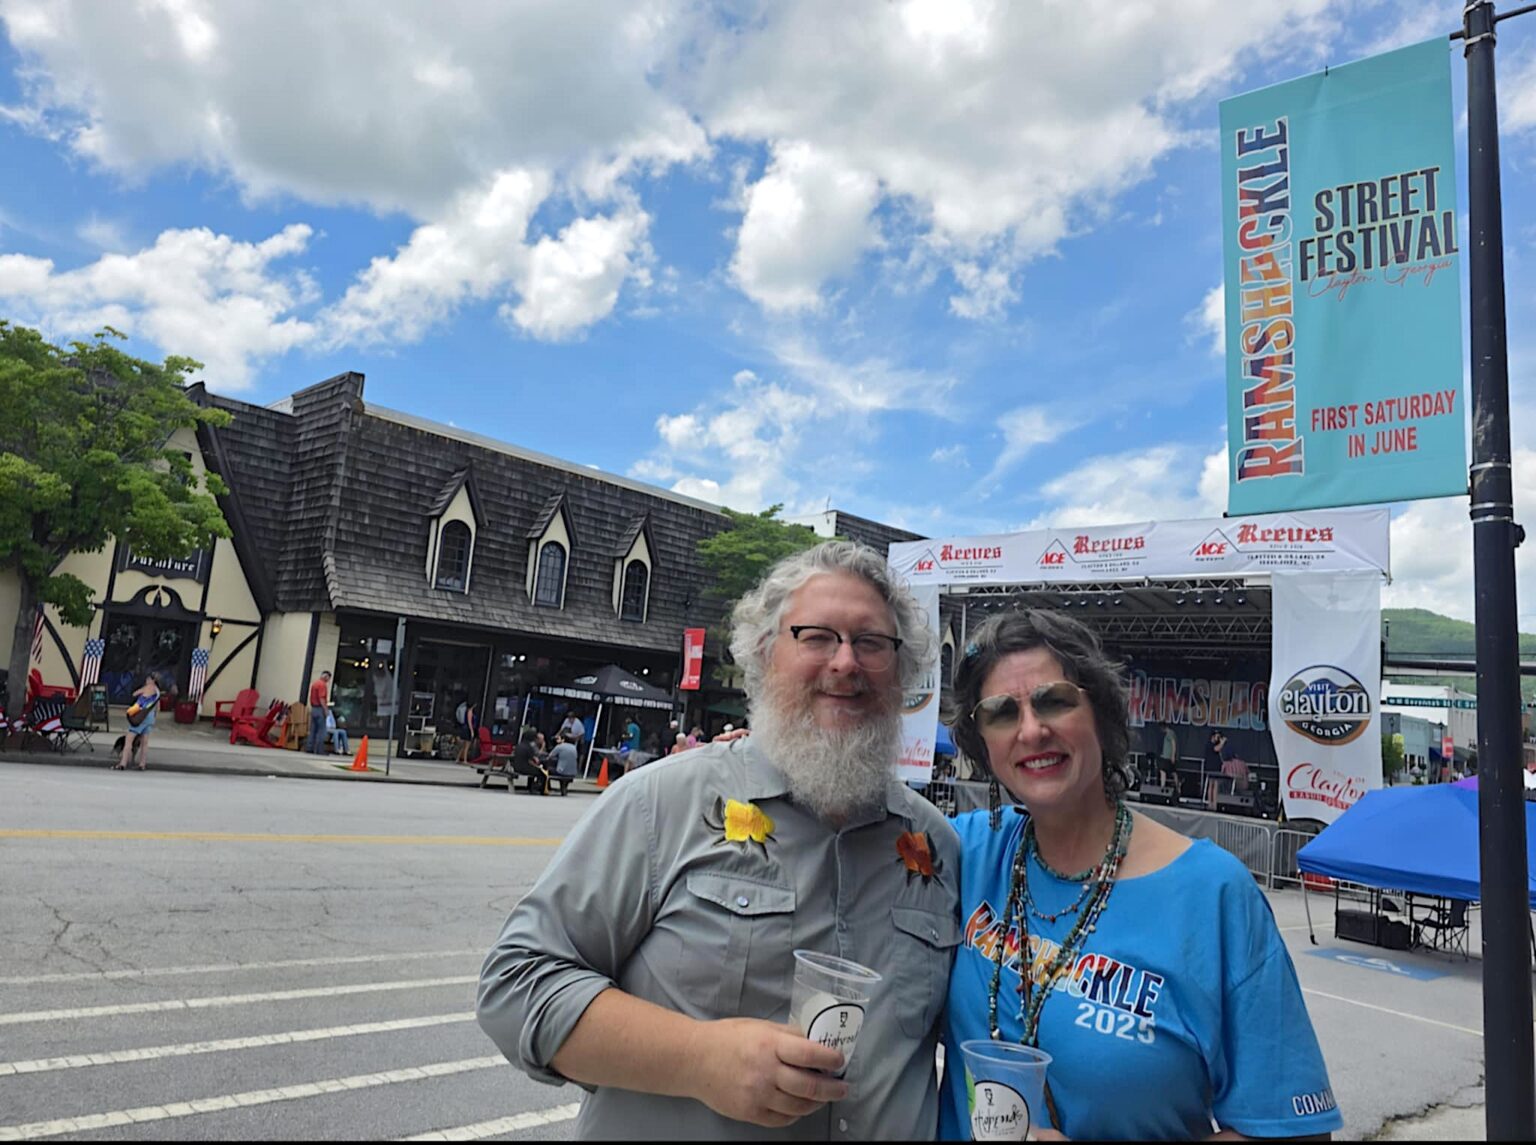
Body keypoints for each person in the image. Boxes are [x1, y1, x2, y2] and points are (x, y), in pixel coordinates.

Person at [478, 541, 960, 1139]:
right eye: (816, 637)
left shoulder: (937, 847)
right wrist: (699, 1059)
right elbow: (517, 984)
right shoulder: (659, 803)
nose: (845, 663)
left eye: (871, 643)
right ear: (765, 655)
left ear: (902, 671)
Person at [937, 610, 1341, 1140]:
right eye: (1001, 712)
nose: (1032, 730)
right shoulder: (967, 851)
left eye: (1054, 700)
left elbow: (1297, 1133)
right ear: (981, 742)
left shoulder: (1213, 895)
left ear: (1100, 714)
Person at [113, 672, 161, 771]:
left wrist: (143, 689)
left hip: (140, 718)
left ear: (152, 680)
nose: (146, 680)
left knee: (129, 740)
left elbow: (134, 694)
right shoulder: (157, 692)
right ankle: (142, 764)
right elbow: (158, 708)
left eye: (148, 679)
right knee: (145, 743)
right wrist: (154, 719)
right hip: (150, 718)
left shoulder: (147, 688)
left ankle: (123, 763)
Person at [511, 726, 551, 795]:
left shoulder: (519, 745)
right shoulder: (529, 747)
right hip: (525, 768)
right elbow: (534, 759)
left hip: (516, 767)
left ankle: (530, 787)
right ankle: (541, 789)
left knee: (535, 769)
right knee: (542, 773)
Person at [304, 670, 331, 754]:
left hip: (314, 708)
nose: (328, 680)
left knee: (313, 730)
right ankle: (319, 750)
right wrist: (326, 710)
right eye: (328, 678)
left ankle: (309, 747)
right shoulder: (322, 685)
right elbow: (322, 698)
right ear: (326, 677)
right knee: (321, 730)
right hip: (319, 709)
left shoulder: (315, 683)